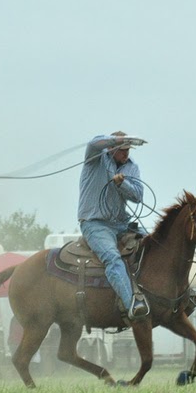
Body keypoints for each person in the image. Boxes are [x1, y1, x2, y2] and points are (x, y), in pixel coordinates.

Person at [79, 132, 148, 319]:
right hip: (95, 223)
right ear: (111, 148)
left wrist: (122, 184)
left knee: (153, 243)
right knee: (112, 258)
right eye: (122, 149)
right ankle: (132, 304)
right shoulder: (95, 157)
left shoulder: (132, 167)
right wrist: (114, 140)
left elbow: (138, 196)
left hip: (121, 223)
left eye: (127, 150)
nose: (126, 154)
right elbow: (94, 143)